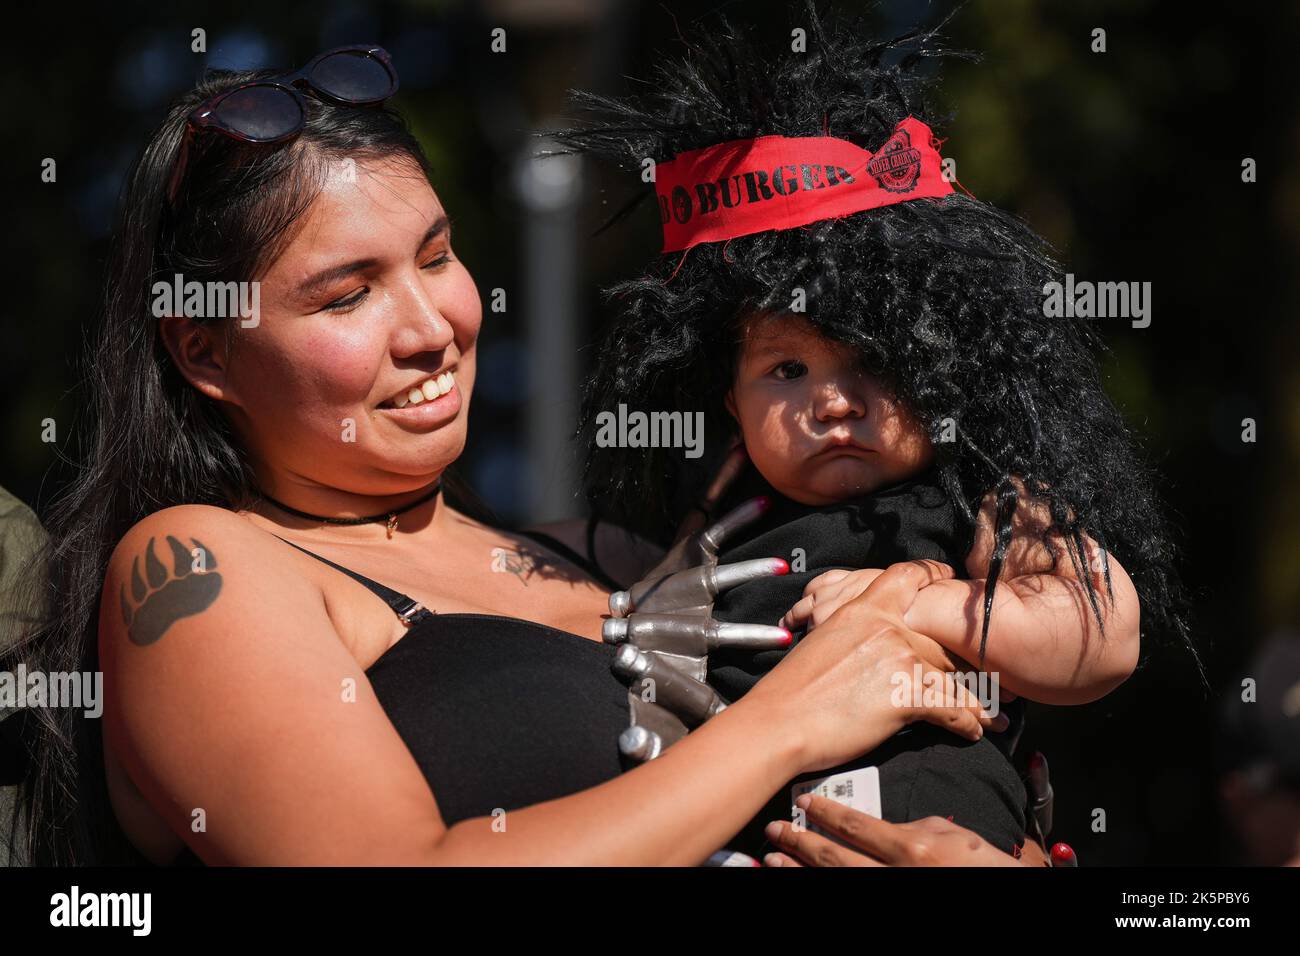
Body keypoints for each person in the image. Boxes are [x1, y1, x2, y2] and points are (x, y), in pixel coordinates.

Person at [5, 44, 1006, 867]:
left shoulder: (609, 553)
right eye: (347, 294)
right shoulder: (198, 568)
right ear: (205, 347)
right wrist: (786, 720)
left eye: (435, 256)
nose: (431, 326)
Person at [552, 2, 1197, 857]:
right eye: (787, 371)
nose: (833, 402)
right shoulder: (705, 526)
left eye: (878, 365)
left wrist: (932, 602)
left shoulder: (982, 496)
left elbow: (1105, 633)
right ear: (726, 402)